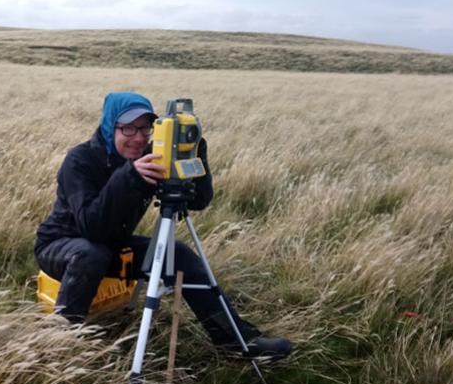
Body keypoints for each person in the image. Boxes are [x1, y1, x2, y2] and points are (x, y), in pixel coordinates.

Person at [34, 92, 291, 361]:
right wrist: (129, 176)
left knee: (177, 253)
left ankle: (238, 342)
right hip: (60, 246)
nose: (138, 137)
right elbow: (91, 227)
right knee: (91, 253)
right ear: (111, 127)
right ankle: (59, 347)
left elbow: (199, 201)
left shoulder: (152, 156)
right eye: (129, 128)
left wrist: (195, 154)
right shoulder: (80, 160)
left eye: (146, 128)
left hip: (111, 245)